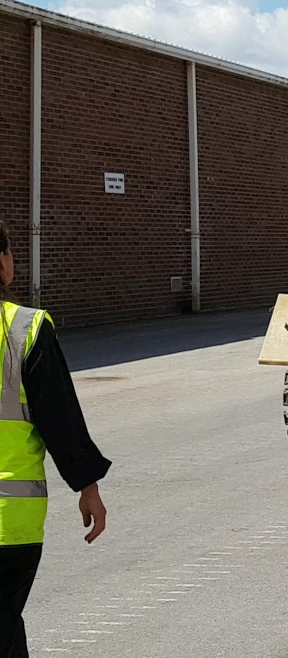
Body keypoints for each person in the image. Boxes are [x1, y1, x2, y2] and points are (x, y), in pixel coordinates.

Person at [0, 220, 110, 658]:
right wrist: (88, 487)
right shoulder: (24, 329)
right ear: (3, 263)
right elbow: (60, 419)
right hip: (10, 524)